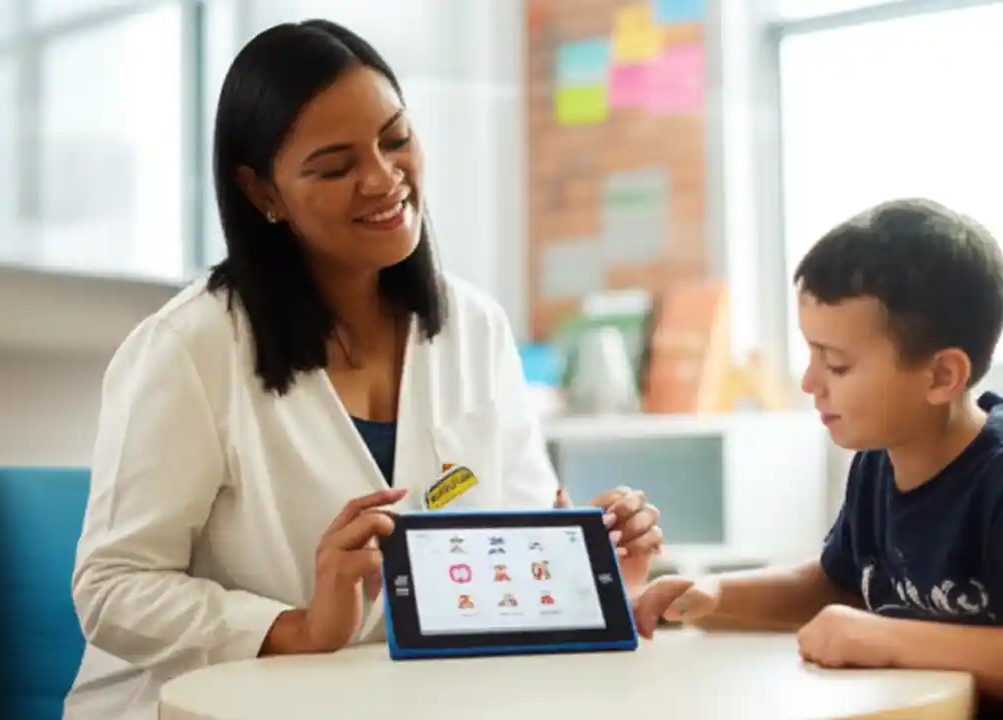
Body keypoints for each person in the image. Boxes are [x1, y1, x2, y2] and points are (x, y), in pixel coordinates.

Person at [65, 20, 663, 719]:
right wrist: (299, 627)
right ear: (264, 192)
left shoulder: (474, 328)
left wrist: (587, 574)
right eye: (335, 165)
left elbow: (511, 543)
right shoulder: (187, 349)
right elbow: (112, 588)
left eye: (396, 138)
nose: (383, 178)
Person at [633, 199, 1003, 719]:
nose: (809, 382)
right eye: (811, 354)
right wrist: (719, 595)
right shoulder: (878, 462)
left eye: (838, 365)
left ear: (941, 377)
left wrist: (889, 639)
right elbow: (840, 584)